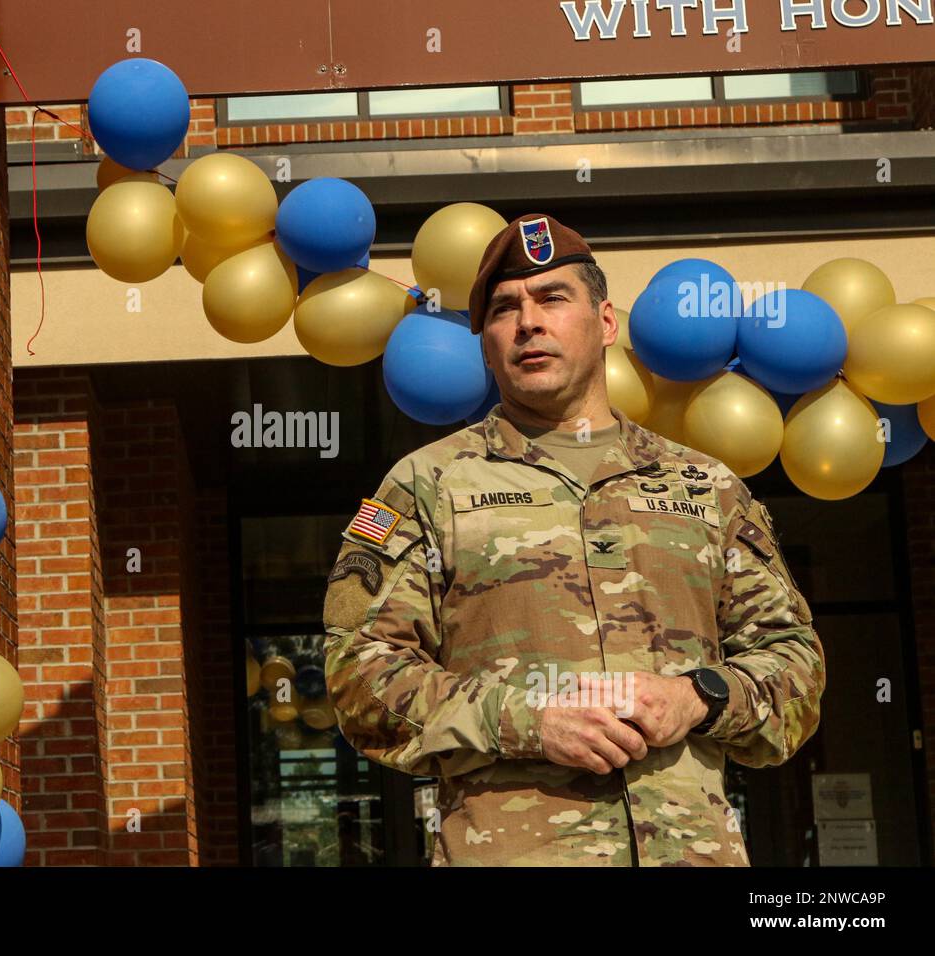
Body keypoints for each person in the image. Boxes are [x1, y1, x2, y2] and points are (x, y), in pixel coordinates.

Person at [321, 213, 825, 866]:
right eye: (504, 309)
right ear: (486, 343)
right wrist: (528, 722)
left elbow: (795, 663)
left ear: (606, 322)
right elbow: (357, 676)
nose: (528, 322)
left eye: (552, 298)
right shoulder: (424, 486)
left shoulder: (706, 487)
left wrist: (699, 697)